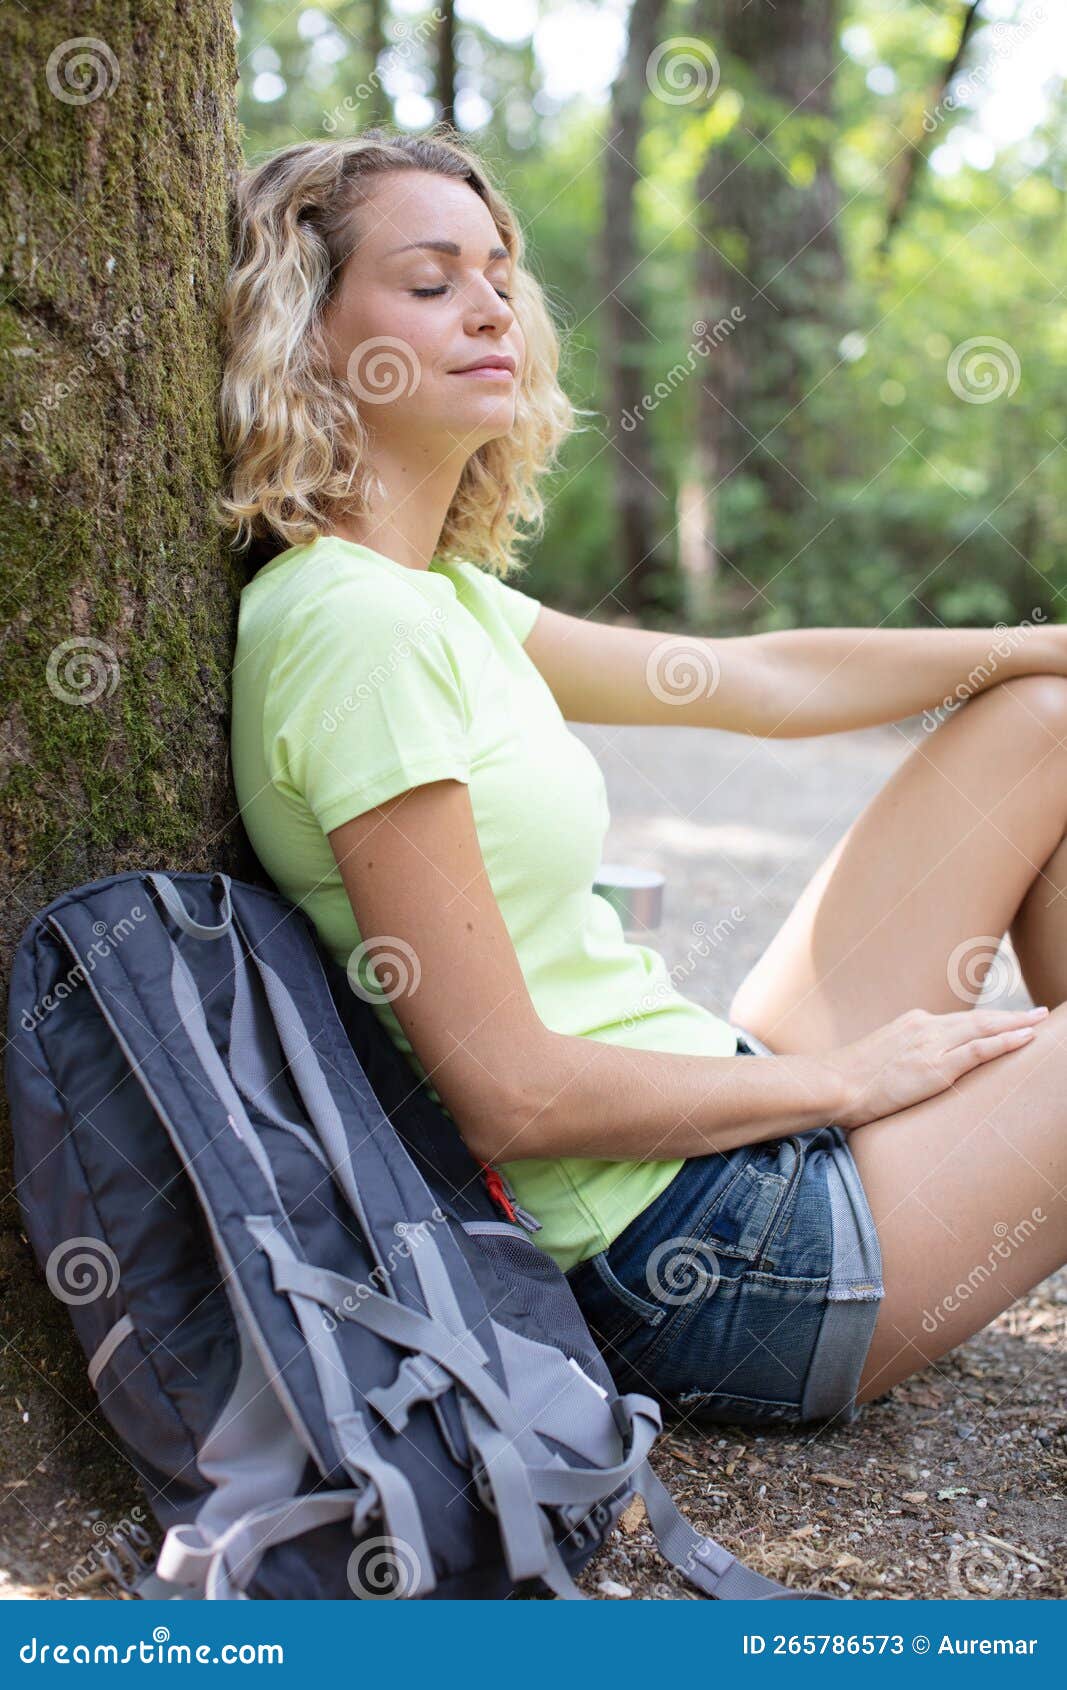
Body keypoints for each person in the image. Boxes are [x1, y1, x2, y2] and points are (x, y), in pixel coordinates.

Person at [223, 126, 1066, 1432]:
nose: (493, 305)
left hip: (720, 1115)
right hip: (698, 1255)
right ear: (309, 331)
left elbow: (753, 680)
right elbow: (514, 1093)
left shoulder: (437, 601)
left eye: (501, 273)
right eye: (431, 281)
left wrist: (1042, 642)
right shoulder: (355, 629)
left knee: (1044, 720)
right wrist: (856, 1079)